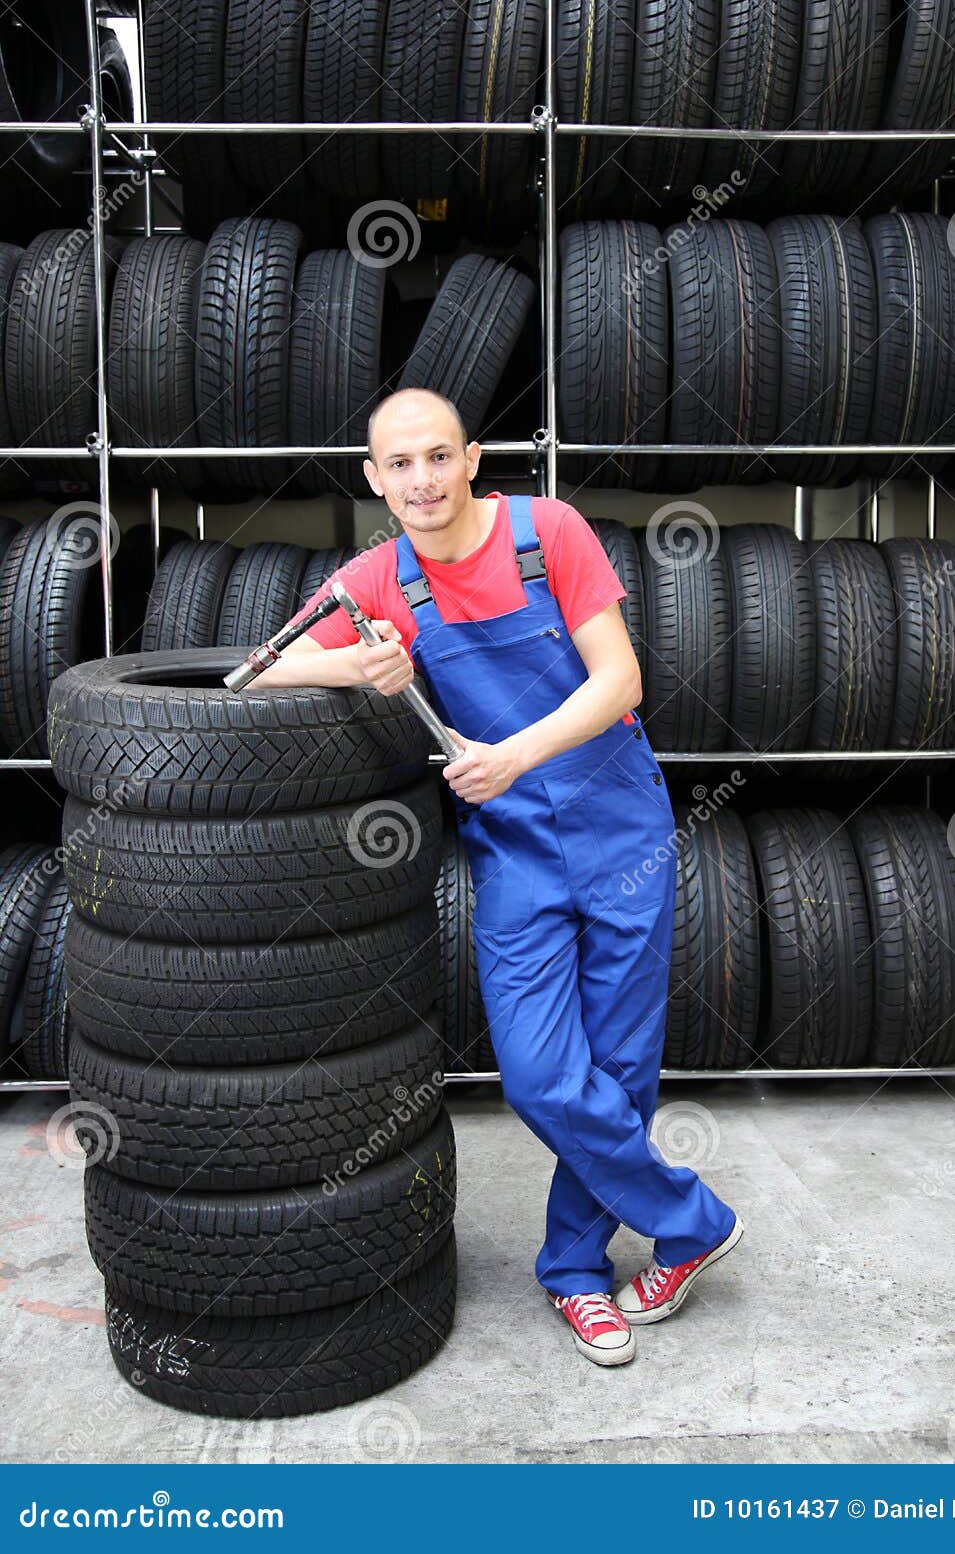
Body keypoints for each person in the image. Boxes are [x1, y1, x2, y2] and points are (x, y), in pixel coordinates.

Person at [253, 387, 743, 1366]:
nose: (421, 480)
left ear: (471, 458)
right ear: (372, 478)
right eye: (399, 464)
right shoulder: (378, 579)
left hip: (618, 830)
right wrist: (365, 670)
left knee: (618, 1067)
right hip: (514, 847)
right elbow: (258, 668)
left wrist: (514, 753)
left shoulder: (547, 531)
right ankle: (689, 1219)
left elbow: (619, 682)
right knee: (535, 1070)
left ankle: (572, 1272)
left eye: (438, 457)